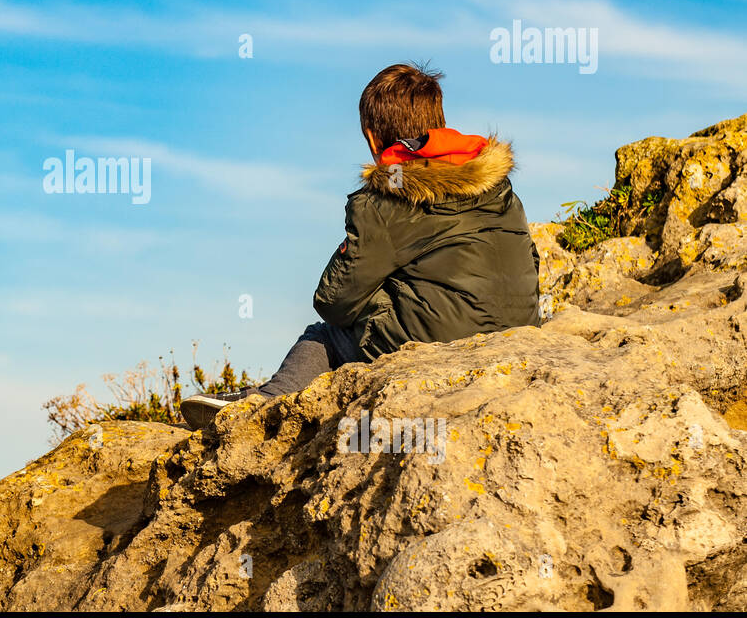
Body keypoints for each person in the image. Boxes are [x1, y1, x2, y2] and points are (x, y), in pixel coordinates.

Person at [180, 62, 541, 430]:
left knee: (325, 335)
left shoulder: (386, 199)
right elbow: (531, 256)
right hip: (520, 326)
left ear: (371, 137)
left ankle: (265, 405)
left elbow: (334, 302)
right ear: (439, 121)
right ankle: (268, 392)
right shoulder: (497, 185)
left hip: (440, 341)